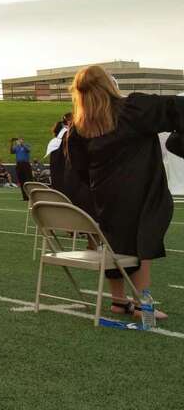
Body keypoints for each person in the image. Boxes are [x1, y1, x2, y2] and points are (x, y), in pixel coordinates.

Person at [66, 65, 181, 320]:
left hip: (105, 195)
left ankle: (119, 302)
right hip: (143, 189)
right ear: (107, 84)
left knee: (115, 244)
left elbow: (79, 169)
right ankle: (142, 304)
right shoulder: (132, 109)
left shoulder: (80, 126)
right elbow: (176, 107)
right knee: (143, 240)